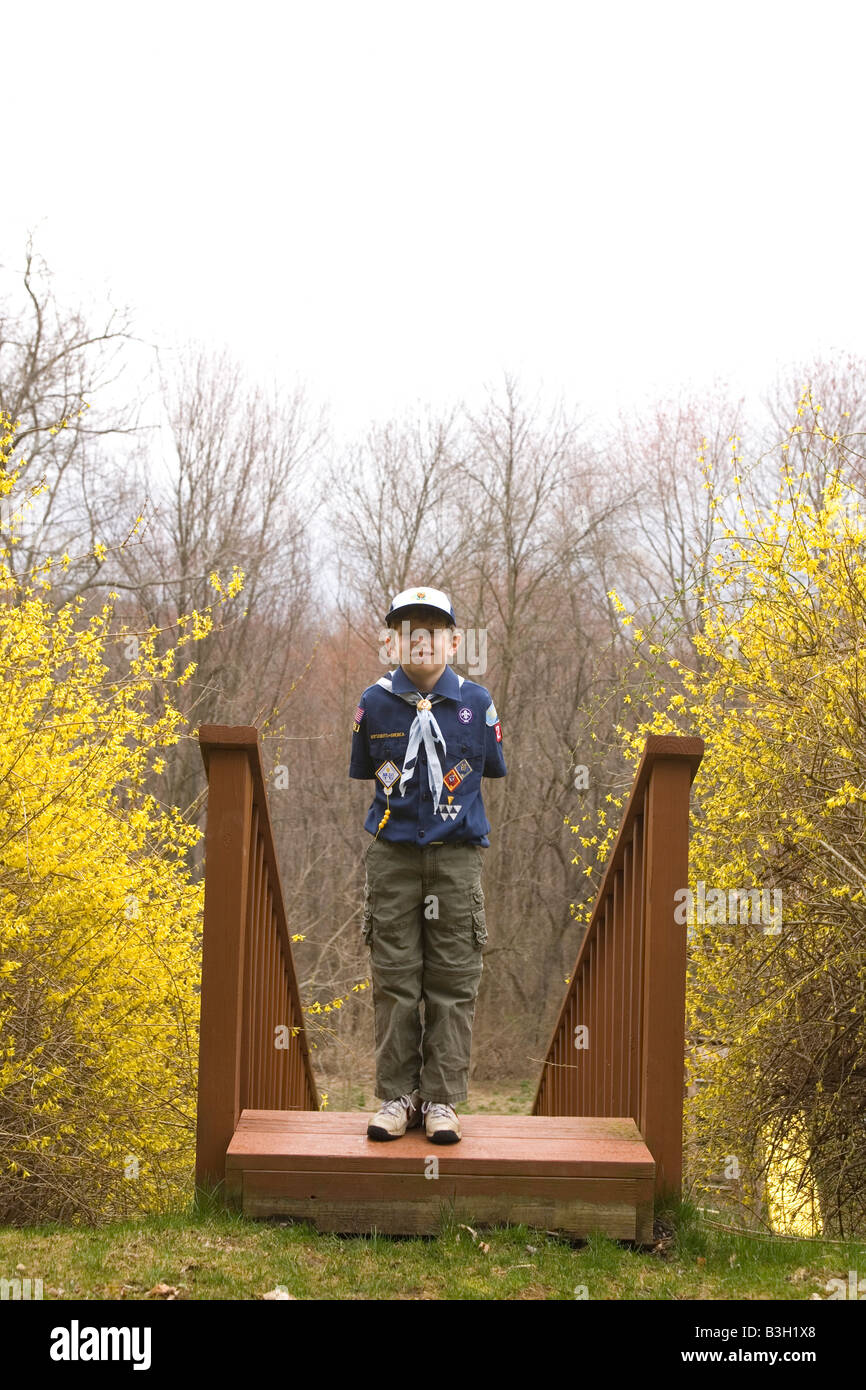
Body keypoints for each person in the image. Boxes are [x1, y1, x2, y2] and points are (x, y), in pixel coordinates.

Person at [348, 585, 507, 1143]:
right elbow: (369, 772)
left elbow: (489, 771)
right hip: (392, 860)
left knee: (453, 981)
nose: (421, 641)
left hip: (457, 859)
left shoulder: (477, 703)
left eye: (433, 631)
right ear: (393, 641)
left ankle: (441, 1100)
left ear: (454, 640)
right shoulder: (373, 703)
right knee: (394, 981)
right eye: (409, 631)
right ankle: (398, 1096)